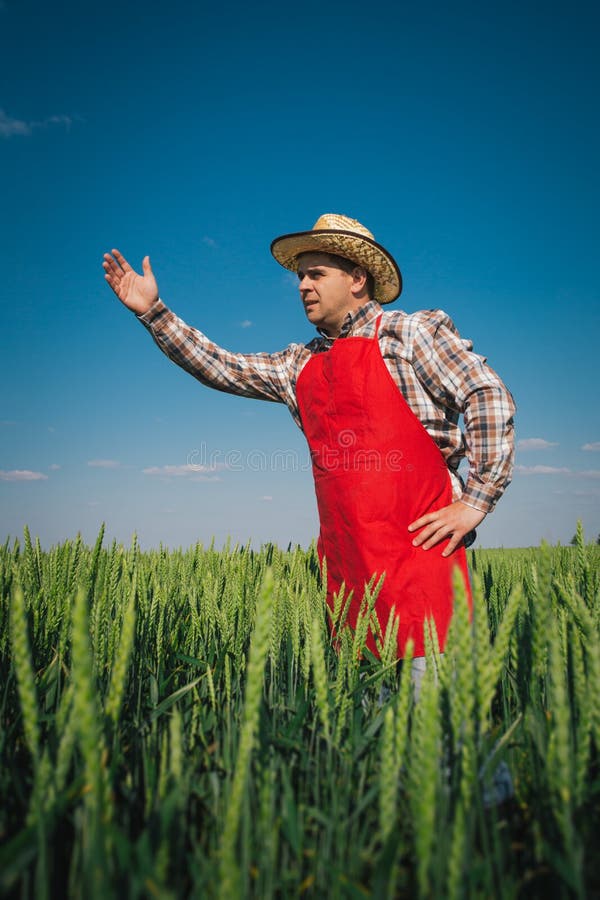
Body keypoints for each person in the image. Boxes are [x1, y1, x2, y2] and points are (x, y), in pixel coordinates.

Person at [103, 213, 515, 667]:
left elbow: (486, 394)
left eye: (316, 274)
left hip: (423, 570)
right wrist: (153, 313)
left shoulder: (408, 334)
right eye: (300, 276)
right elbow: (222, 367)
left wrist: (477, 500)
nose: (302, 286)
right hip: (349, 575)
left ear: (357, 278)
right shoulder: (298, 363)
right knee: (363, 730)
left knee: (435, 732)